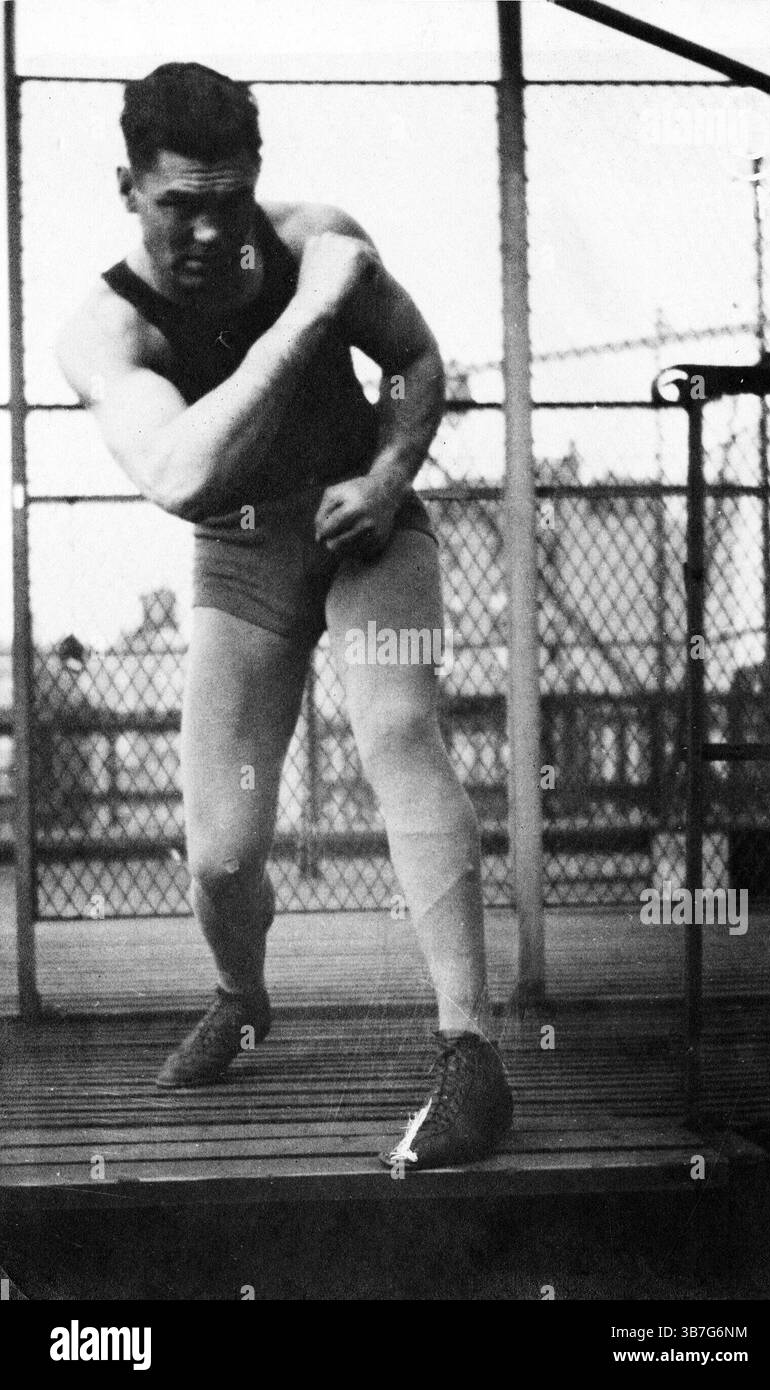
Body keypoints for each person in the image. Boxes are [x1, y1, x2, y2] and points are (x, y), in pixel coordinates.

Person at [56, 62, 512, 1170]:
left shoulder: (316, 232)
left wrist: (396, 471)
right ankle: (242, 995)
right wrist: (312, 309)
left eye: (229, 200)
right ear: (129, 187)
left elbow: (410, 359)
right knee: (219, 855)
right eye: (179, 205)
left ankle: (472, 1050)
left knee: (400, 731)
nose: (209, 231)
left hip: (365, 526)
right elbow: (182, 477)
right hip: (243, 554)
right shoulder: (103, 330)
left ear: (255, 177)